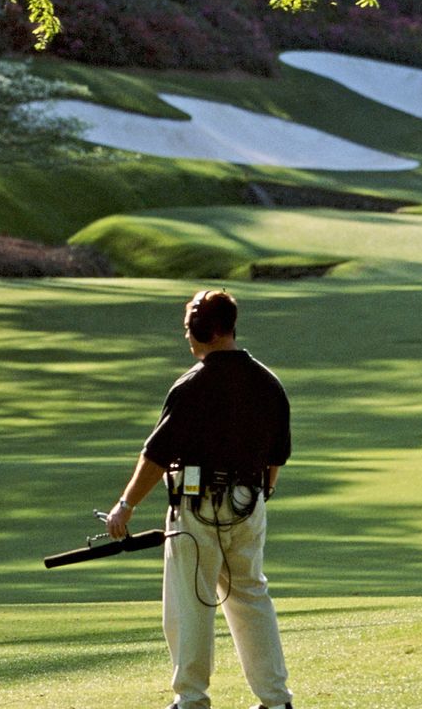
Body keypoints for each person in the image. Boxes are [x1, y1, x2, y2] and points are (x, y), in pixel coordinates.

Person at [105, 289, 294, 709]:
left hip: (196, 507)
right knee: (250, 596)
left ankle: (191, 699)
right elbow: (276, 458)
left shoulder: (191, 385)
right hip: (250, 502)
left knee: (190, 604)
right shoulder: (267, 382)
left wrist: (126, 505)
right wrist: (258, 496)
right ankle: (276, 700)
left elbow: (155, 457)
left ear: (199, 330)